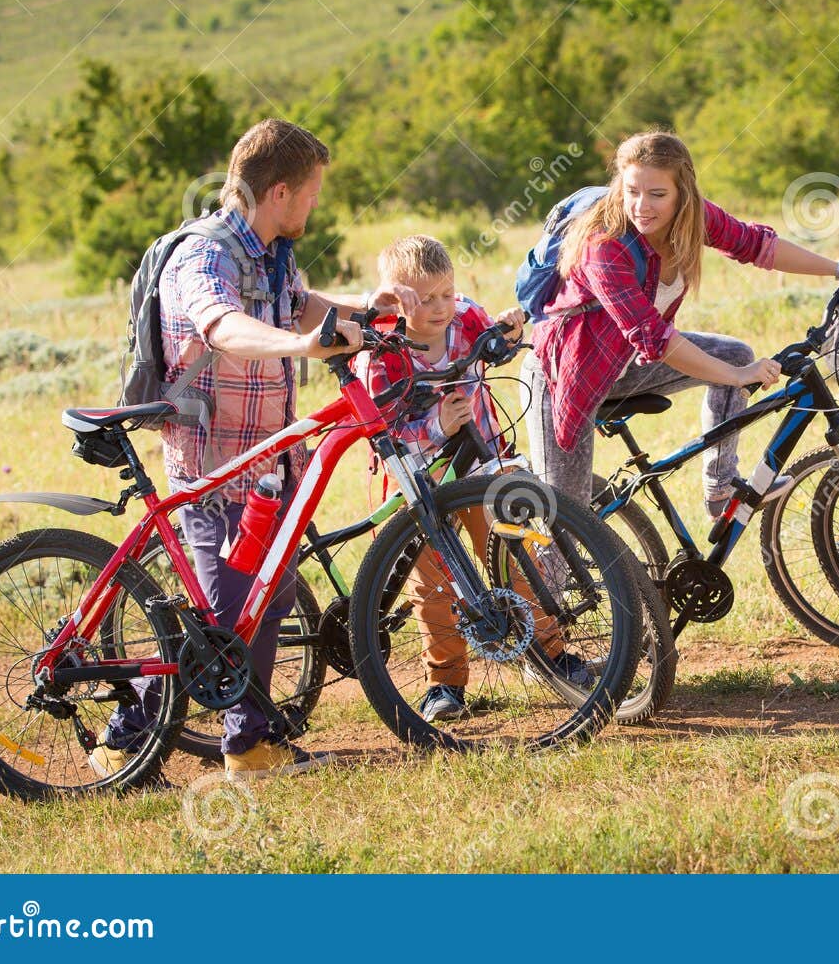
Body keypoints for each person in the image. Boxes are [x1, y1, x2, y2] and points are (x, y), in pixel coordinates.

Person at [94, 119, 414, 781]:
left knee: (260, 600)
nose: (316, 204)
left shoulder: (270, 250)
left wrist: (362, 309)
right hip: (213, 464)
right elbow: (222, 324)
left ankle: (228, 741)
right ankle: (145, 740)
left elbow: (296, 306)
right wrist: (305, 346)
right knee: (223, 619)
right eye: (312, 193)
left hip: (266, 457)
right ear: (279, 191)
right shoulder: (205, 254)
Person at [520, 130, 839, 516]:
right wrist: (737, 375)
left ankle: (720, 491)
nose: (641, 206)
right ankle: (530, 567)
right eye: (631, 191)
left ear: (682, 193)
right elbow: (654, 337)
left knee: (735, 354)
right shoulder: (603, 243)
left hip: (624, 365)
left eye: (657, 194)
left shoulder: (693, 218)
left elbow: (758, 246)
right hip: (565, 377)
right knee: (567, 522)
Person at [360, 236, 592, 723]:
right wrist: (435, 426)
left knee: (518, 551)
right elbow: (381, 426)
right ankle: (444, 683)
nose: (441, 306)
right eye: (425, 299)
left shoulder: (464, 317)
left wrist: (506, 331)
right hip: (416, 480)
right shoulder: (380, 349)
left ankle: (552, 653)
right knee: (433, 586)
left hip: (480, 463)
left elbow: (495, 345)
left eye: (447, 292)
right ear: (397, 300)